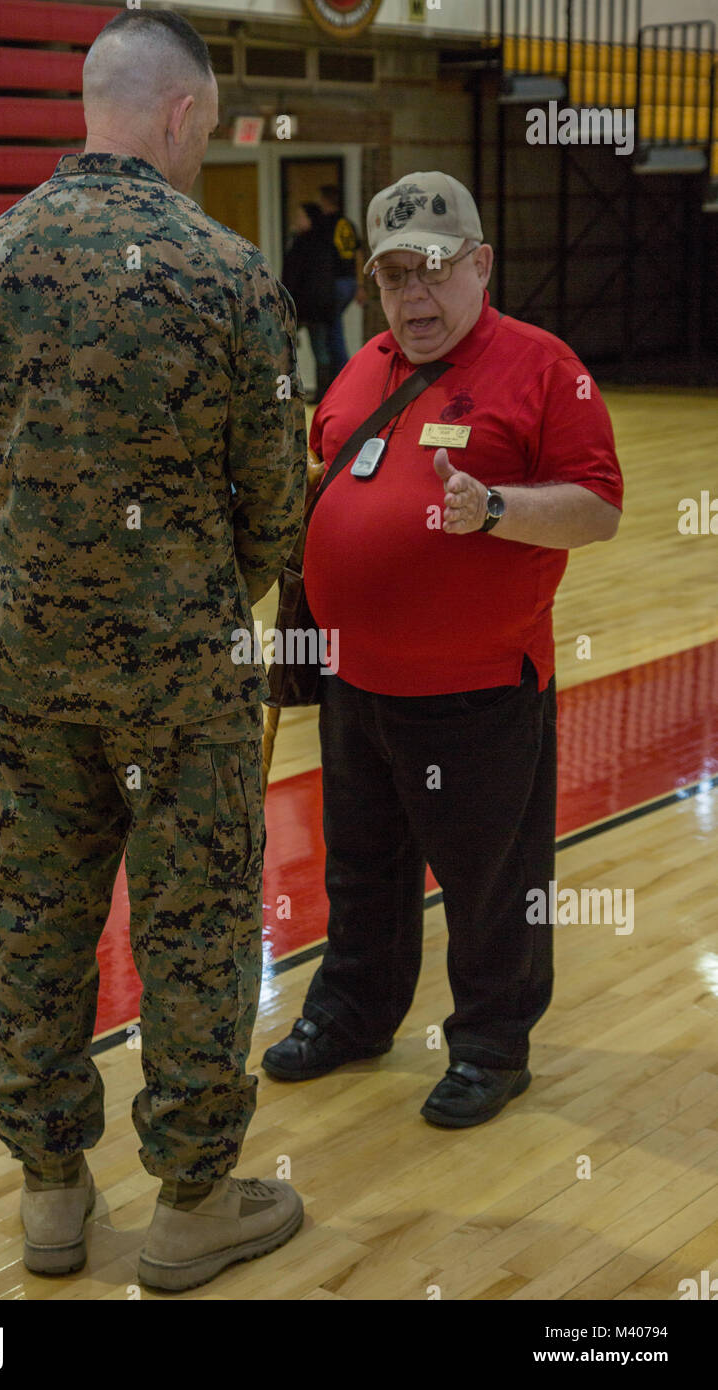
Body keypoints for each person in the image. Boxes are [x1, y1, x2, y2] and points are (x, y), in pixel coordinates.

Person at [0, 8, 307, 1293]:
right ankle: (192, 1206)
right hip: (181, 672)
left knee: (34, 925)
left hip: (28, 667)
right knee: (195, 931)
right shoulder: (228, 274)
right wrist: (192, 586)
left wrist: (57, 570)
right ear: (184, 113)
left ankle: (51, 1198)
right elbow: (275, 501)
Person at [262, 172, 623, 1131]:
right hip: (354, 679)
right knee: (361, 864)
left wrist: (498, 508)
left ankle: (493, 1046)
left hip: (476, 690)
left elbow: (599, 506)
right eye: (392, 278)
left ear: (480, 265)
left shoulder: (545, 367)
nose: (413, 298)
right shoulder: (361, 365)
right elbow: (327, 467)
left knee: (491, 880)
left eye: (431, 271)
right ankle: (354, 1013)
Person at [281, 202, 339, 403]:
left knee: (295, 349)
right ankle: (323, 393)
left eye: (300, 216)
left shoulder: (303, 243)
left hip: (306, 305)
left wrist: (288, 300)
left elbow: (293, 275)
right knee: (320, 350)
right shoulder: (323, 242)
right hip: (319, 306)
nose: (296, 220)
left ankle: (291, 392)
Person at [317, 184, 366, 375]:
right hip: (350, 281)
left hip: (334, 282)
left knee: (333, 331)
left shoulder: (324, 224)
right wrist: (360, 284)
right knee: (333, 328)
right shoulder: (347, 224)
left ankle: (345, 373)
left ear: (324, 200)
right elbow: (359, 253)